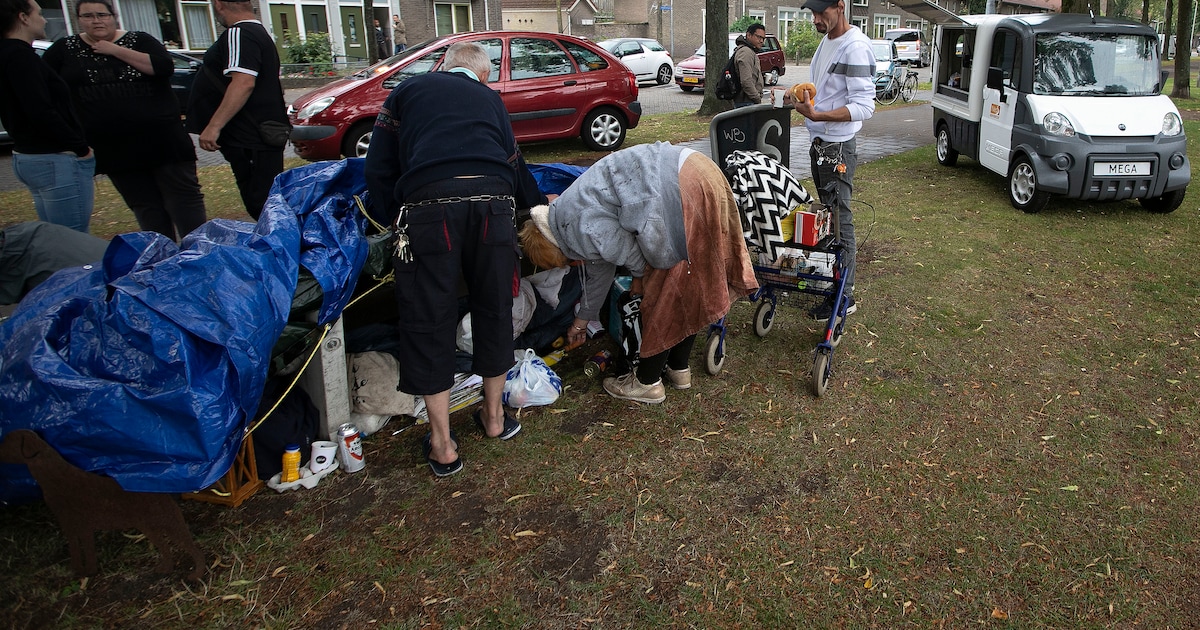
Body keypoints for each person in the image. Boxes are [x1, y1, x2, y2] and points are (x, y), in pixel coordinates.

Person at [364, 42, 547, 477]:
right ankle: (495, 419)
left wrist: (394, 215)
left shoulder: (407, 92)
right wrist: (538, 206)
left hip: (429, 211)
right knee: (493, 308)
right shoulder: (490, 100)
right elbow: (514, 163)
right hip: (493, 209)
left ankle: (443, 444)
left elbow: (379, 166)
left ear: (445, 68)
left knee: (428, 319)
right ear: (482, 76)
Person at [518, 142, 758, 405]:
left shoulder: (573, 227)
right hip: (699, 168)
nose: (570, 266)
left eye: (564, 263)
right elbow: (601, 269)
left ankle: (647, 382)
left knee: (662, 285)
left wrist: (639, 282)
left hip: (676, 186)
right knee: (691, 278)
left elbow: (631, 256)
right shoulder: (566, 212)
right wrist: (582, 321)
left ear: (556, 251)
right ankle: (678, 368)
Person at [44, 0, 206, 242]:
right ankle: (161, 258)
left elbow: (163, 67)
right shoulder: (64, 49)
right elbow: (46, 87)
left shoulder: (139, 40)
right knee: (145, 206)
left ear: (114, 16)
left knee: (183, 200)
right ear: (78, 19)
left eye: (102, 15)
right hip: (113, 148)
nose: (96, 20)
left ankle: (200, 254)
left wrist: (115, 50)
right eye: (88, 16)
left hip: (163, 142)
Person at [792, 0, 874, 320]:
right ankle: (833, 283)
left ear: (840, 6)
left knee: (842, 219)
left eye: (821, 12)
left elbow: (864, 107)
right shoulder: (827, 42)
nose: (815, 19)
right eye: (811, 13)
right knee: (828, 217)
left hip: (838, 148)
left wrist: (819, 114)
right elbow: (826, 92)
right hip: (821, 144)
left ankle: (845, 295)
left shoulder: (855, 47)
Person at [187, 0, 288, 220]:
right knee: (264, 202)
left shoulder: (239, 33)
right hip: (259, 133)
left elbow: (243, 82)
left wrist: (214, 126)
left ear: (218, 4)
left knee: (260, 203)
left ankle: (284, 247)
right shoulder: (257, 33)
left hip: (249, 135)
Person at [0, 0, 95, 233]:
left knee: (56, 234)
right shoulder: (20, 57)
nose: (43, 20)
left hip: (27, 155)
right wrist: (80, 147)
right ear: (23, 17)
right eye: (39, 14)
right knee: (70, 240)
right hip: (54, 157)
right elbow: (39, 109)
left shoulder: (8, 54)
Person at [732, 23, 766, 107]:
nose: (761, 41)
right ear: (749, 35)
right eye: (759, 37)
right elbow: (746, 81)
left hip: (747, 102)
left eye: (763, 38)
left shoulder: (750, 51)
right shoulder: (746, 52)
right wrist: (757, 98)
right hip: (745, 102)